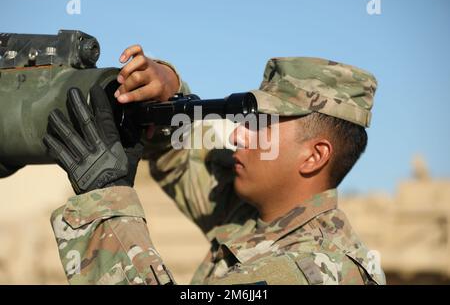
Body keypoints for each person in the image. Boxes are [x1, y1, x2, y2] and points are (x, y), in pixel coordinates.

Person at [45, 45, 386, 285]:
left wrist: (105, 202)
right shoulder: (258, 214)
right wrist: (169, 93)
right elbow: (178, 161)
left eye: (261, 123)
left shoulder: (312, 268)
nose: (238, 133)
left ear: (314, 156)